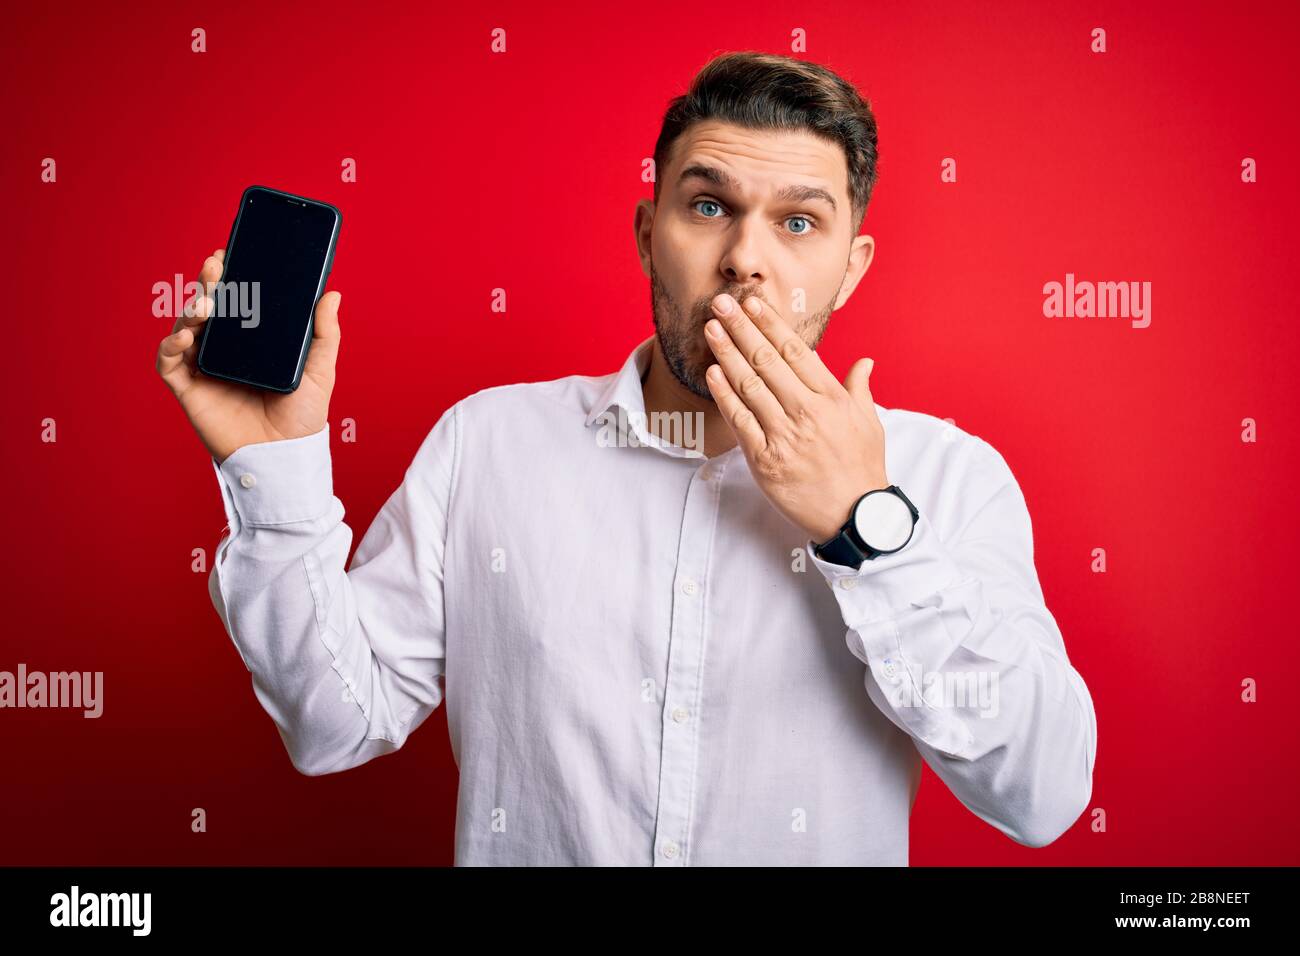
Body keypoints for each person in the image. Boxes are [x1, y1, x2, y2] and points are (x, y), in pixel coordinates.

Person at [156, 50, 1096, 866]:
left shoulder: (946, 479)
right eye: (708, 206)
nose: (745, 261)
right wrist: (272, 471)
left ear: (853, 265)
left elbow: (1042, 795)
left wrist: (864, 528)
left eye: (799, 223)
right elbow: (332, 726)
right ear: (650, 237)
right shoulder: (489, 445)